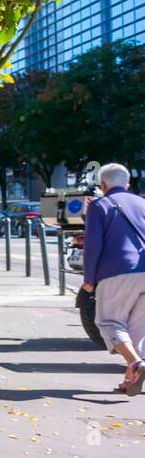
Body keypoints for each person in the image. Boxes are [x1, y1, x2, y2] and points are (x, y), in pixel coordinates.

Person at [80, 163, 145, 395]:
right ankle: (132, 379)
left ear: (103, 185)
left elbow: (93, 245)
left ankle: (137, 364)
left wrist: (89, 278)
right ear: (127, 183)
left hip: (117, 271)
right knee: (136, 331)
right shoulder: (143, 203)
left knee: (108, 322)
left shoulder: (100, 205)